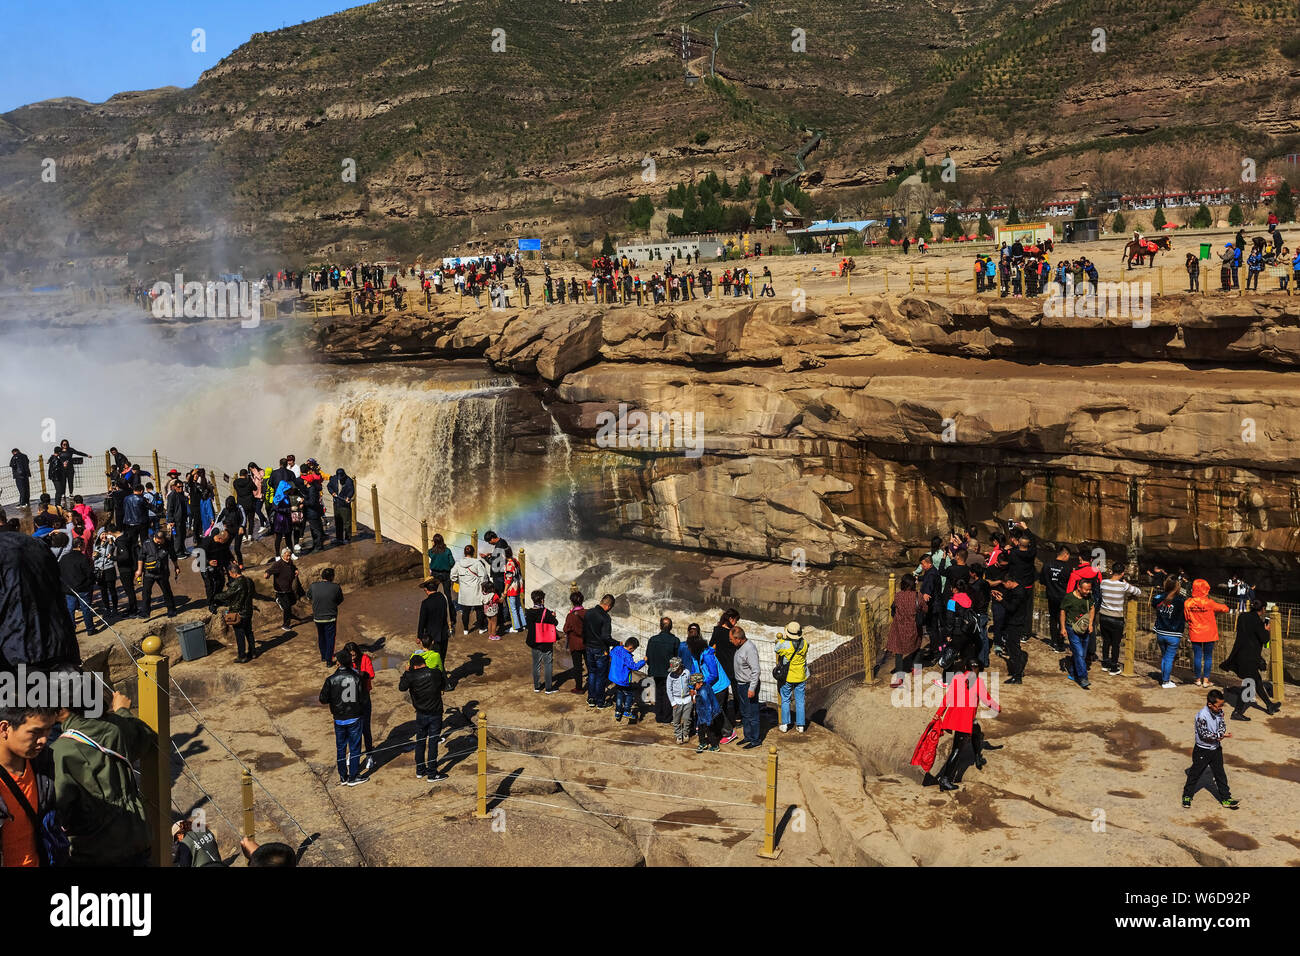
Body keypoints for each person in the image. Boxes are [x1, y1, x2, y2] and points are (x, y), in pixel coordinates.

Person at [52, 689, 156, 866]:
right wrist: (122, 711)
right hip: (134, 837)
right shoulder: (116, 726)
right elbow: (144, 736)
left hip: (93, 850)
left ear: (62, 710)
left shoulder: (61, 751)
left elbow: (59, 807)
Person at [924, 657, 1000, 792]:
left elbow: (947, 697)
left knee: (977, 731)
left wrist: (939, 713)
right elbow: (986, 700)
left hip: (956, 717)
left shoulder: (957, 679)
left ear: (965, 668)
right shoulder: (977, 683)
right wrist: (997, 707)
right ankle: (945, 779)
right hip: (964, 721)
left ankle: (977, 757)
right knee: (957, 749)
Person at [0, 704, 61, 867]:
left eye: (49, 730)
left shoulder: (44, 763)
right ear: (5, 728)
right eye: (35, 732)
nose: (43, 740)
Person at [1222, 599, 1280, 721]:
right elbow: (1265, 640)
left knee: (1257, 680)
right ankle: (1237, 712)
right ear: (1263, 609)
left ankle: (1269, 705)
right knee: (1248, 684)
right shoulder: (1258, 622)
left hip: (1240, 653)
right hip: (1250, 658)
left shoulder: (1243, 616)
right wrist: (1267, 630)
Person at [1181, 689, 1238, 809]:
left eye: (1222, 705)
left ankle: (1226, 798)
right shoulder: (1202, 716)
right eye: (1219, 705)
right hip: (1202, 750)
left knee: (1220, 774)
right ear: (1210, 704)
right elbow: (1204, 734)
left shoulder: (1220, 712)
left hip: (1216, 749)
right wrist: (1220, 736)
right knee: (1195, 774)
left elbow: (1222, 724)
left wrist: (1221, 733)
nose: (1221, 708)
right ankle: (1187, 795)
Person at [319, 650, 369, 786]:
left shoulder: (331, 680)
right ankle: (353, 776)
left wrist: (334, 699)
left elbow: (322, 699)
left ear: (338, 663)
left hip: (339, 718)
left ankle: (343, 776)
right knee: (354, 748)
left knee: (341, 748)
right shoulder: (357, 677)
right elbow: (364, 698)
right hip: (355, 717)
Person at [399, 653, 448, 781]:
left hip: (421, 713)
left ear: (413, 666)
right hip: (435, 712)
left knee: (420, 742)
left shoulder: (411, 676)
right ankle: (432, 773)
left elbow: (401, 687)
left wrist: (406, 672)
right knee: (433, 743)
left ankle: (420, 770)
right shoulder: (435, 673)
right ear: (423, 663)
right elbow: (444, 684)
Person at [1096, 566, 1141, 675]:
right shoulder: (1123, 585)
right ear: (1122, 573)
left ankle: (1105, 663)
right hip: (1116, 618)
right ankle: (1113, 667)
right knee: (1116, 643)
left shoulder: (1103, 583)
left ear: (1112, 571)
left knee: (1106, 641)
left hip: (1103, 616)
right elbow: (1138, 592)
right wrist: (1126, 583)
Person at [1184, 578, 1228, 689]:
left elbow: (1186, 617)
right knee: (1208, 657)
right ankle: (1206, 680)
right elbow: (1225, 609)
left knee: (1197, 656)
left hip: (1195, 632)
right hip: (1209, 633)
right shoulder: (1209, 603)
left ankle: (1198, 679)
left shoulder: (1188, 603)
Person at [215, 564, 257, 662]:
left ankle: (242, 656)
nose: (229, 575)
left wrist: (216, 597)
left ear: (233, 573)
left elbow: (227, 595)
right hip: (248, 611)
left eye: (229, 573)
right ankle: (253, 652)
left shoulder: (237, 583)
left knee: (240, 634)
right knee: (249, 632)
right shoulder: (249, 581)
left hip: (239, 613)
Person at [344, 642, 376, 772]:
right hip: (351, 698)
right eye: (350, 655)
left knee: (366, 728)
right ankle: (353, 753)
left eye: (354, 655)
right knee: (352, 729)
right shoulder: (345, 661)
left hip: (363, 697)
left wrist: (359, 674)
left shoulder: (365, 659)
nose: (352, 658)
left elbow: (371, 674)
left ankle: (369, 754)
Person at [1059, 576, 1096, 689]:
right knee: (1079, 653)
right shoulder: (1069, 597)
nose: (1088, 591)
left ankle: (1073, 671)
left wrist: (1090, 624)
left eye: (1089, 589)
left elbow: (1092, 608)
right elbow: (1062, 612)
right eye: (1086, 589)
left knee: (1082, 654)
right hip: (1072, 628)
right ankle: (1083, 678)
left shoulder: (1089, 597)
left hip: (1084, 628)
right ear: (1078, 587)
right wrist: (1063, 628)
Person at [1152, 575, 1188, 689]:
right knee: (1169, 658)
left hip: (1160, 632)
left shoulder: (1158, 597)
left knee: (1165, 657)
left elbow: (1154, 604)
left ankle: (1164, 678)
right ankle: (1166, 681)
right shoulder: (1181, 601)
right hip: (1174, 634)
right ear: (1178, 587)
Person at [729, 625, 762, 748]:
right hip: (741, 684)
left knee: (752, 713)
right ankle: (748, 736)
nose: (731, 641)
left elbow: (756, 671)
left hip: (748, 685)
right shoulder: (740, 647)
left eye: (732, 639)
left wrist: (752, 688)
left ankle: (755, 739)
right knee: (744, 712)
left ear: (739, 639)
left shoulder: (750, 649)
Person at [886, 576, 921, 687]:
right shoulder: (918, 596)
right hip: (913, 626)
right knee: (917, 645)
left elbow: (893, 609)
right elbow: (925, 609)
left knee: (898, 651)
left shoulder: (898, 596)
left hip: (899, 627)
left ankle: (900, 678)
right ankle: (916, 669)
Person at [58, 537, 97, 636]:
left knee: (70, 609)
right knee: (85, 608)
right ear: (79, 546)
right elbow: (89, 574)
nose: (85, 546)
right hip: (82, 588)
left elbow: (60, 573)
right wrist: (91, 581)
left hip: (69, 589)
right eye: (83, 545)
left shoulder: (64, 558)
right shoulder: (82, 558)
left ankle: (72, 629)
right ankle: (90, 629)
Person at [583, 594, 617, 708]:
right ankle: (600, 701)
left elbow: (584, 631)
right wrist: (617, 643)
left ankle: (591, 698)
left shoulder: (588, 612)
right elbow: (606, 637)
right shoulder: (605, 617)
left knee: (592, 673)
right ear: (609, 606)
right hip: (601, 649)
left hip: (588, 647)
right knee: (601, 676)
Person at [775, 621, 809, 733]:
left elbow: (777, 648)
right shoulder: (804, 643)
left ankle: (785, 724)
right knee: (800, 701)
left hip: (788, 676)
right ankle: (801, 726)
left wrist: (783, 638)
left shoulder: (785, 644)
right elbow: (806, 647)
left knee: (785, 699)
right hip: (801, 675)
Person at [138, 529, 179, 619]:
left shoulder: (167, 543)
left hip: (162, 572)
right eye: (158, 541)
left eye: (161, 541)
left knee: (167, 591)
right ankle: (145, 612)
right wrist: (139, 570)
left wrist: (176, 567)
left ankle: (171, 609)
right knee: (146, 592)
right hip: (149, 573)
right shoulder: (146, 544)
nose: (159, 543)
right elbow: (141, 557)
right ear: (155, 538)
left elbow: (173, 556)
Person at [710, 609, 740, 732]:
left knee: (723, 694)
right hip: (733, 666)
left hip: (721, 667)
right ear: (731, 619)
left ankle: (725, 718)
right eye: (736, 620)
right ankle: (738, 718)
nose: (736, 622)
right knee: (737, 693)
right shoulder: (732, 633)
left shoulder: (716, 630)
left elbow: (711, 646)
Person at [524, 589, 559, 694]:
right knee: (548, 664)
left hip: (534, 641)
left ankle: (537, 686)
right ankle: (548, 688)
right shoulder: (546, 612)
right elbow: (555, 623)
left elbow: (528, 626)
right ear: (542, 600)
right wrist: (553, 617)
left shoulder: (529, 612)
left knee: (536, 664)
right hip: (545, 641)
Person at [450, 545, 490, 635]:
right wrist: (480, 583)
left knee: (465, 611)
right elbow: (483, 577)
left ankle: (466, 630)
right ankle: (481, 628)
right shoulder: (477, 563)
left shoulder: (458, 563)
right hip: (476, 590)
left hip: (464, 592)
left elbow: (452, 576)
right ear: (473, 552)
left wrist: (460, 581)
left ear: (464, 553)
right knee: (479, 610)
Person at [307, 568, 344, 665]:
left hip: (317, 617)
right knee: (330, 638)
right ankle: (328, 660)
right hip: (330, 617)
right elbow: (340, 600)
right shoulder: (336, 587)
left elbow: (309, 596)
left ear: (322, 576)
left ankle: (323, 656)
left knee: (321, 636)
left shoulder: (313, 586)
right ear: (332, 577)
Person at [1039, 543, 1072, 652]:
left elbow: (1042, 581)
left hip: (1051, 596)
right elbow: (1071, 584)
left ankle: (1054, 642)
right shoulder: (1068, 568)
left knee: (1053, 619)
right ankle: (1060, 643)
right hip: (1063, 598)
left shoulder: (1047, 565)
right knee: (1062, 620)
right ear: (1065, 555)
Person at [646, 616, 679, 724]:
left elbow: (648, 656)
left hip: (655, 671)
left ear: (660, 626)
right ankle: (666, 718)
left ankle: (659, 717)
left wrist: (652, 666)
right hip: (668, 672)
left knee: (658, 693)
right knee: (668, 694)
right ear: (671, 627)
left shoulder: (652, 639)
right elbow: (677, 658)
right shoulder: (675, 640)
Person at [608, 638, 646, 722]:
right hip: (623, 679)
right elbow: (634, 667)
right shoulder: (627, 656)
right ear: (631, 648)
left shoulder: (617, 648)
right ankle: (627, 711)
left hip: (615, 677)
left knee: (619, 693)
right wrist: (643, 661)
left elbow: (611, 654)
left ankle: (618, 711)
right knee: (629, 694)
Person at [265, 548, 302, 631]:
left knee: (293, 600)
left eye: (289, 555)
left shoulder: (290, 562)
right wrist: (267, 574)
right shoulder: (278, 564)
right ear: (282, 555)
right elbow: (270, 570)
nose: (289, 557)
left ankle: (279, 600)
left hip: (288, 588)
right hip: (281, 589)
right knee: (287, 607)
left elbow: (293, 567)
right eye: (287, 555)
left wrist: (296, 570)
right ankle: (285, 625)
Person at [417, 577, 451, 668]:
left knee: (433, 661)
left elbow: (422, 621)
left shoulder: (425, 603)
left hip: (431, 637)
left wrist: (419, 636)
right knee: (441, 659)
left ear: (426, 589)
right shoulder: (443, 598)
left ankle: (441, 680)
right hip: (444, 633)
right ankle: (442, 678)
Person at [426, 533, 456, 628]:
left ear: (434, 542)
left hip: (435, 574)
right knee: (448, 596)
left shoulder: (431, 551)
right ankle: (452, 618)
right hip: (445, 574)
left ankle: (433, 614)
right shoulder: (447, 551)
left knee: (432, 593)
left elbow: (430, 554)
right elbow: (452, 562)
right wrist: (447, 567)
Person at [689, 673, 721, 753]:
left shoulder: (703, 691)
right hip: (701, 713)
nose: (693, 687)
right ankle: (703, 743)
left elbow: (707, 706)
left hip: (707, 714)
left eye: (694, 685)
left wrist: (709, 720)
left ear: (700, 683)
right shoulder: (704, 687)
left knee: (709, 730)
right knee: (700, 729)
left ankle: (715, 746)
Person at [563, 590, 587, 694]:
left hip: (575, 644)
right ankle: (592, 684)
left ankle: (579, 688)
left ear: (572, 602)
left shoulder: (571, 615)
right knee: (590, 665)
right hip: (587, 642)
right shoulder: (587, 613)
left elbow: (565, 629)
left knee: (577, 666)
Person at [666, 657, 693, 745]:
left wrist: (693, 696)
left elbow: (690, 685)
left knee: (687, 719)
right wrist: (673, 702)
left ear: (680, 667)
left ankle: (685, 733)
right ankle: (678, 735)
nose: (674, 671)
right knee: (676, 720)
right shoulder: (670, 676)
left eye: (676, 669)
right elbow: (669, 690)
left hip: (687, 700)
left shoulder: (687, 672)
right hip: (677, 701)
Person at [327, 469, 355, 544]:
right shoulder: (333, 479)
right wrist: (332, 492)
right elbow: (329, 486)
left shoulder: (349, 481)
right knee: (338, 521)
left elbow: (351, 491)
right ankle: (339, 538)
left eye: (341, 477)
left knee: (347, 522)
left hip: (344, 505)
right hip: (336, 504)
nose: (340, 479)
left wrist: (348, 497)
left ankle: (348, 538)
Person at [502, 546, 524, 633]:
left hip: (512, 589)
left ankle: (515, 627)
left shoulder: (509, 564)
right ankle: (522, 624)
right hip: (518, 586)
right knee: (519, 606)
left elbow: (509, 579)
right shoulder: (516, 561)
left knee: (513, 608)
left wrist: (505, 590)